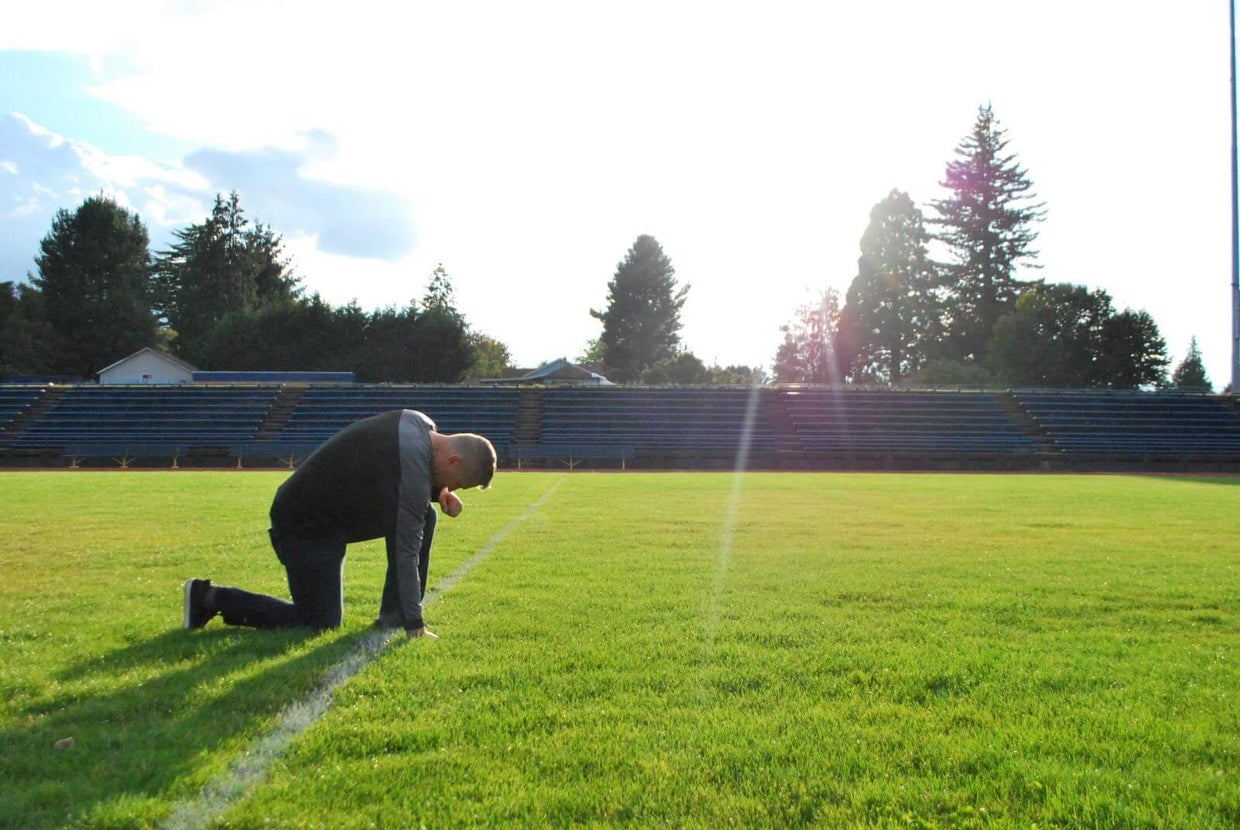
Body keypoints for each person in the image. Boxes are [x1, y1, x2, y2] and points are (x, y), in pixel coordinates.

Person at [182, 409, 496, 638]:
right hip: (303, 526)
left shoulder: (418, 424)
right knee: (319, 622)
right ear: (453, 461)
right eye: (457, 484)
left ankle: (392, 615)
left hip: (328, 517)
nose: (453, 491)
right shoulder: (413, 464)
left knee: (425, 515)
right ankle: (209, 598)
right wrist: (415, 624)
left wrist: (437, 491)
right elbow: (406, 553)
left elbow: (392, 475)